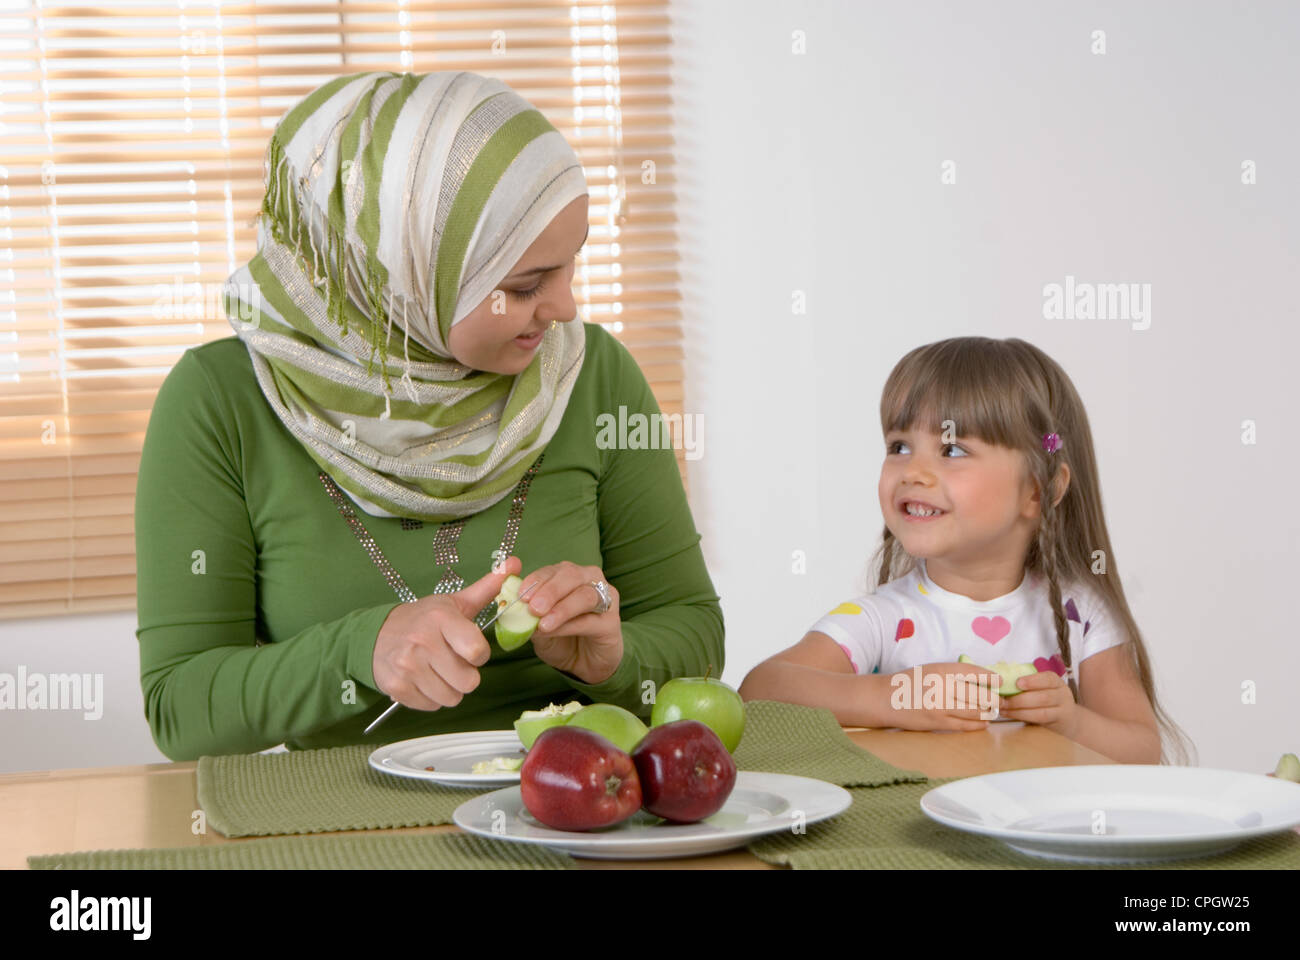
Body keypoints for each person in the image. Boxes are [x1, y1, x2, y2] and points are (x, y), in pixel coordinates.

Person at [134, 71, 722, 761]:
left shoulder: (593, 377)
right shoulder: (219, 402)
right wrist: (359, 651)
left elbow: (695, 634)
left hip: (576, 807)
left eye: (570, 268)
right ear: (402, 273)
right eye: (525, 284)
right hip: (338, 827)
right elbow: (179, 706)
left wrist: (613, 659)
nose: (565, 308)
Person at [739, 337, 1193, 765]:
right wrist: (896, 695)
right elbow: (760, 690)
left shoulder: (1083, 615)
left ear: (1039, 490)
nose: (913, 471)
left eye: (952, 449)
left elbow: (1141, 749)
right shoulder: (882, 620)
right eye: (899, 446)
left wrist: (1070, 720)